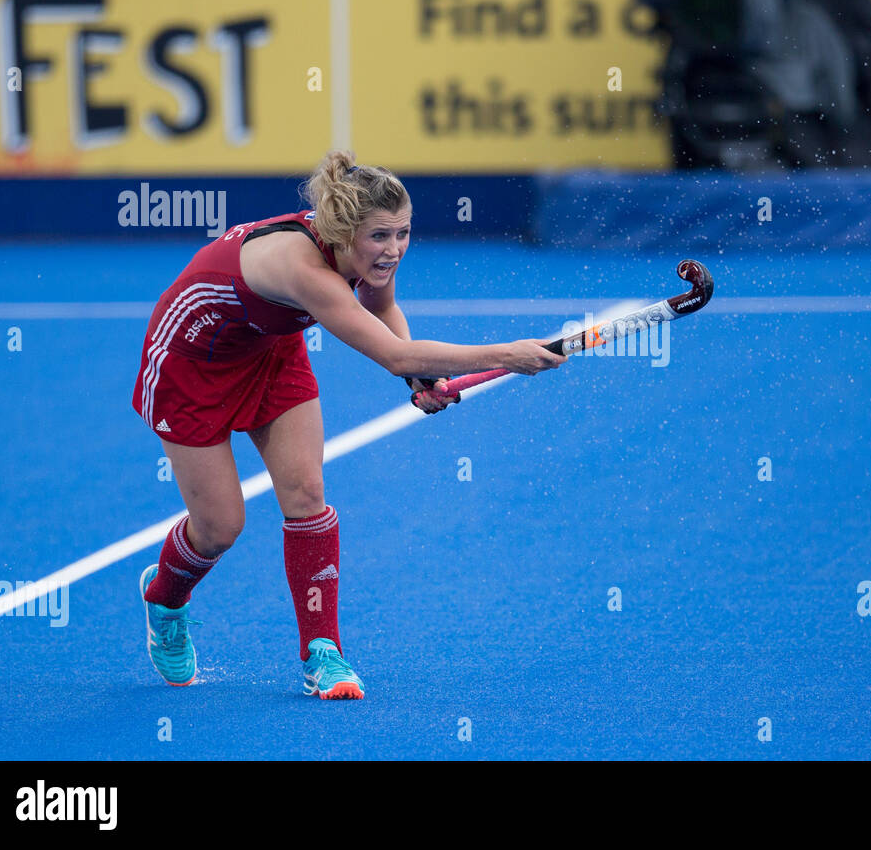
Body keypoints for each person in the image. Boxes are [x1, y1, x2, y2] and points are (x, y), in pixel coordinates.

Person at [130, 150, 565, 699]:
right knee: (220, 526)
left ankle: (323, 654)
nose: (394, 249)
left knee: (307, 492)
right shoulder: (304, 270)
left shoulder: (372, 256)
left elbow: (386, 320)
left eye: (403, 233)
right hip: (191, 362)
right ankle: (166, 598)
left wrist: (418, 379)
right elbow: (399, 357)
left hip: (269, 349)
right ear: (346, 231)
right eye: (380, 236)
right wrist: (506, 354)